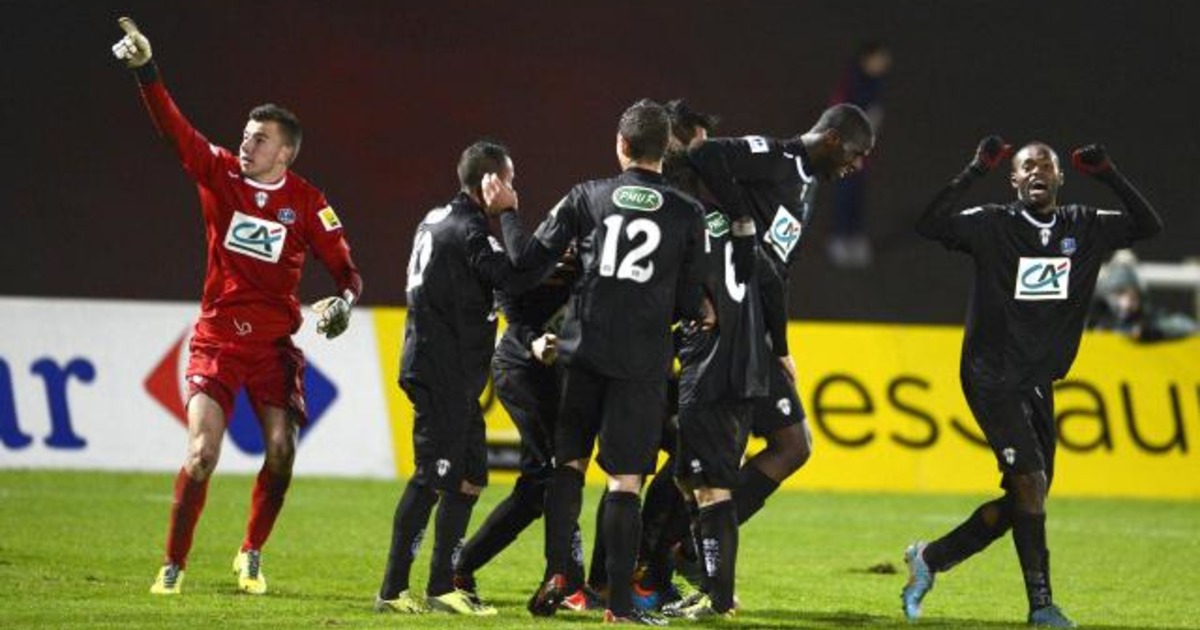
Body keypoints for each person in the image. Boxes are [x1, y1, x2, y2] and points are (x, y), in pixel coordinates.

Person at [112, 18, 363, 596]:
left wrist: (344, 302)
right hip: (218, 339)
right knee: (201, 453)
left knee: (281, 451)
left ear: (285, 153)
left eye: (259, 139)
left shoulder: (307, 204)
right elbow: (175, 130)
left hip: (273, 347)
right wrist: (147, 71)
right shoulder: (220, 174)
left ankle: (250, 552)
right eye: (246, 135)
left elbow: (348, 271)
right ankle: (173, 563)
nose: (245, 144)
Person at [906, 137, 1162, 628]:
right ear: (1015, 180)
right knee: (1030, 482)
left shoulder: (1083, 226)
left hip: (1038, 380)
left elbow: (1149, 225)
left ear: (1060, 178)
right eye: (1026, 167)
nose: (1036, 172)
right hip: (990, 374)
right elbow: (929, 224)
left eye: (1045, 165)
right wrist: (973, 169)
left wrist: (1109, 173)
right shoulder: (992, 224)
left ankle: (931, 559)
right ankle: (1041, 605)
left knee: (1028, 497)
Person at [484, 99, 707, 625]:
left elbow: (527, 264)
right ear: (666, 151)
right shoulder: (687, 214)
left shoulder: (586, 197)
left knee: (569, 465)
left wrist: (508, 211)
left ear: (621, 145)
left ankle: (561, 573)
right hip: (641, 365)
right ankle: (621, 610)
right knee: (625, 481)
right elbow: (688, 301)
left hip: (581, 355)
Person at [375, 141, 546, 615]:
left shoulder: (434, 218)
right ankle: (392, 591)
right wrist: (510, 215)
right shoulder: (471, 230)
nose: (514, 189)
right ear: (490, 183)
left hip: (448, 370)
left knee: (470, 476)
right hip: (442, 371)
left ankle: (441, 588)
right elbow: (517, 277)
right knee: (434, 477)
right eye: (509, 181)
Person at [687, 104, 875, 533]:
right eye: (856, 153)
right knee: (725, 453)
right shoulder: (775, 156)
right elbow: (705, 154)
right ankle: (679, 553)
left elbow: (778, 271)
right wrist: (739, 218)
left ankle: (698, 545)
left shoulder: (808, 186)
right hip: (729, 328)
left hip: (757, 333)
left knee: (793, 444)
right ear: (832, 139)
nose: (856, 165)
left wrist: (780, 344)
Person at [659, 99, 771, 619]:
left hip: (712, 365)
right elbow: (764, 279)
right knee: (689, 478)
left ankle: (718, 598)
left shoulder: (679, 217)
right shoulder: (729, 217)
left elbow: (670, 289)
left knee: (709, 486)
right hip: (739, 361)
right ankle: (709, 584)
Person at [450, 247, 589, 607]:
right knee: (561, 469)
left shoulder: (596, 265)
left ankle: (460, 567)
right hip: (519, 370)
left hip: (552, 376)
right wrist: (532, 340)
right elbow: (511, 308)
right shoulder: (532, 259)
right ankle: (567, 579)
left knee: (533, 491)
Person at [827, 40, 892, 268]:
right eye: (880, 59)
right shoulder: (852, 84)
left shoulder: (873, 82)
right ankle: (839, 239)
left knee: (858, 193)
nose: (884, 63)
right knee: (846, 193)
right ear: (867, 59)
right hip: (846, 149)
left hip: (862, 149)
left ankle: (855, 237)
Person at [1088, 256, 1197, 342]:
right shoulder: (1090, 318)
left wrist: (1154, 332)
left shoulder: (1147, 319)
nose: (1127, 301)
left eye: (1133, 295)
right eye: (1120, 292)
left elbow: (1188, 326)